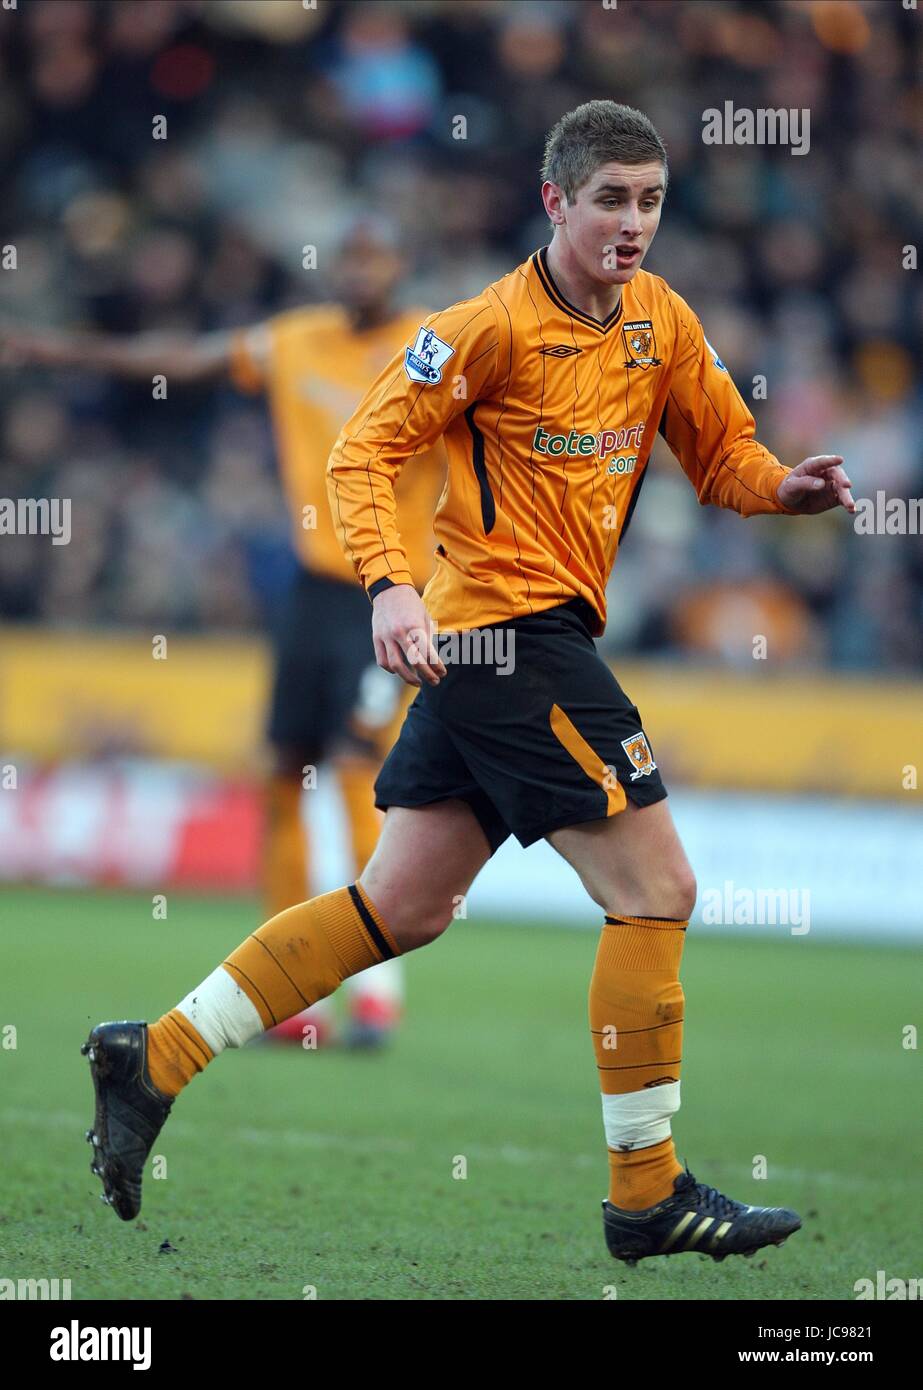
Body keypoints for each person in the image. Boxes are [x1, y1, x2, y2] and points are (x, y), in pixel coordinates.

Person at [81, 102, 855, 1264]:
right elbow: (364, 448)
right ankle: (645, 1192)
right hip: (509, 636)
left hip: (500, 653)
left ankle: (155, 1056)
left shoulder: (662, 321)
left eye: (648, 201)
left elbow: (719, 454)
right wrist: (388, 585)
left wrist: (777, 487)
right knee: (658, 890)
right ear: (555, 202)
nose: (632, 224)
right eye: (609, 201)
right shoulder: (484, 327)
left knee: (402, 907)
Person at [4, 219, 446, 1048]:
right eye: (347, 255)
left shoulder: (433, 348)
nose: (358, 271)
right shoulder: (295, 342)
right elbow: (180, 358)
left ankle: (377, 994)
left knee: (360, 768)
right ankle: (287, 997)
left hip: (391, 590)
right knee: (287, 771)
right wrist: (54, 350)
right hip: (313, 590)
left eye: (374, 256)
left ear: (399, 265)